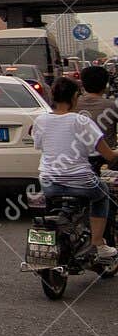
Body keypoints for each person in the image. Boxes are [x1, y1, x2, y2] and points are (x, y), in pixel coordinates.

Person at [31, 76, 118, 263]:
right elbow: (109, 155)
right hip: (81, 181)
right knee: (102, 193)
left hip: (49, 182)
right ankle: (98, 243)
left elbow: (39, 145)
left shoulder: (40, 120)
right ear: (74, 97)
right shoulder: (81, 121)